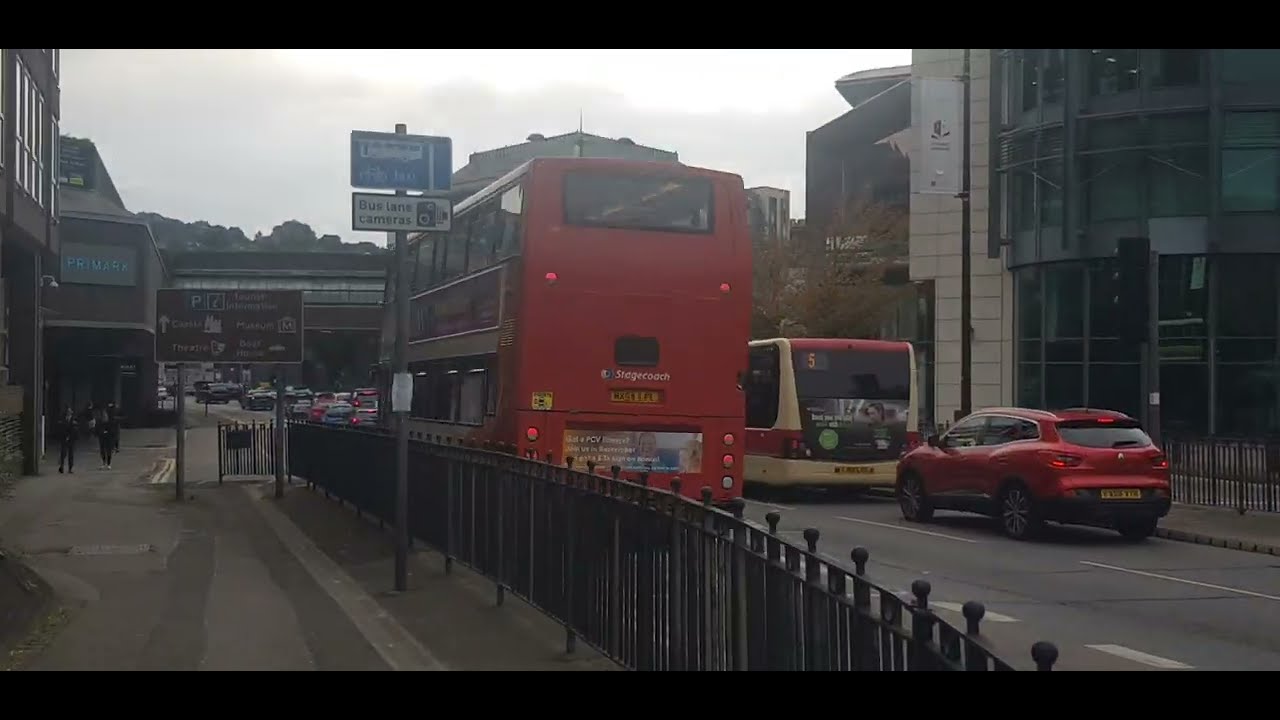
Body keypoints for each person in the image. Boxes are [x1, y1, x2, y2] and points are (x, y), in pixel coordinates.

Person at [56, 406, 77, 474]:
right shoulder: (63, 419)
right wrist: (64, 436)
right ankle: (61, 467)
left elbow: (74, 430)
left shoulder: (74, 420)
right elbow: (61, 428)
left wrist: (70, 436)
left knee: (71, 454)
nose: (69, 413)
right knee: (63, 453)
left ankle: (70, 468)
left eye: (70, 412)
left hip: (71, 439)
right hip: (64, 438)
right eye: (68, 412)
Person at [96, 404, 118, 469]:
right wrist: (101, 432)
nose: (104, 416)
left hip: (108, 437)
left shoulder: (110, 422)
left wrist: (108, 432)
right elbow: (97, 429)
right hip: (102, 437)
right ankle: (103, 462)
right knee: (102, 450)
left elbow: (113, 430)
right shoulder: (100, 422)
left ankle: (108, 463)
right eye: (103, 415)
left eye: (105, 415)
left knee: (108, 451)